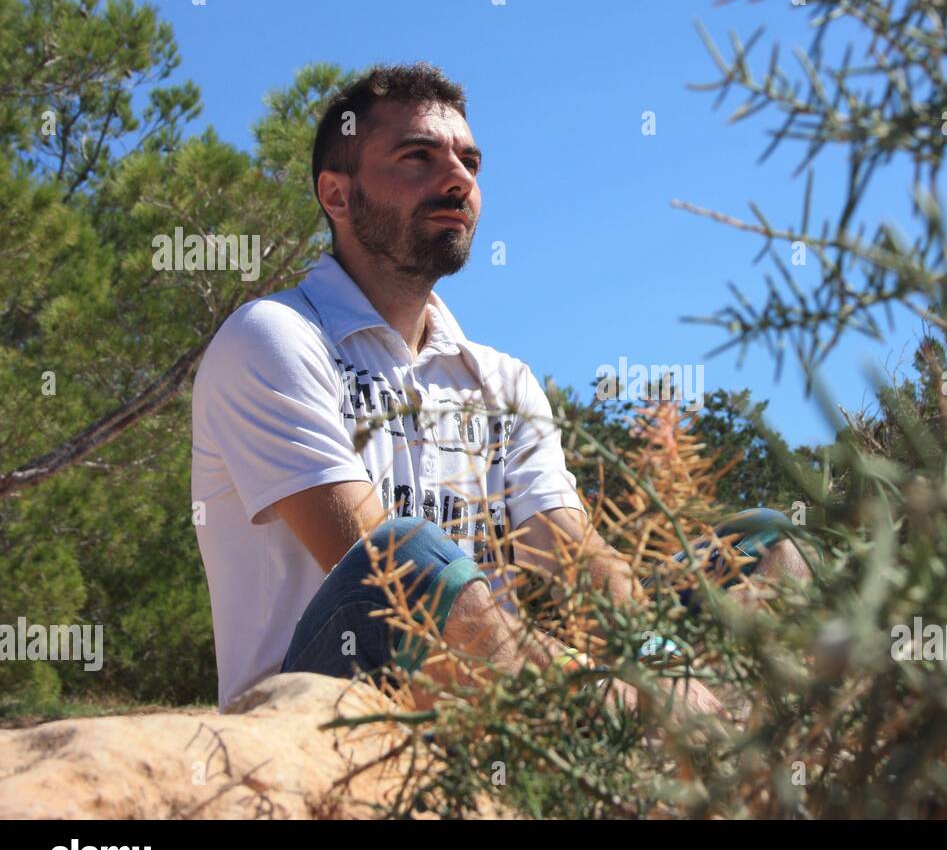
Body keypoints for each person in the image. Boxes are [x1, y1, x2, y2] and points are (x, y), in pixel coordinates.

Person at [190, 63, 811, 718]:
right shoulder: (274, 338)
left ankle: (769, 750)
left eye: (469, 161)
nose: (458, 178)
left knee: (761, 542)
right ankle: (637, 727)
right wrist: (619, 691)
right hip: (328, 694)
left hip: (500, 684)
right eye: (418, 157)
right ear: (337, 196)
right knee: (409, 555)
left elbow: (570, 555)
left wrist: (653, 652)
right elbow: (382, 580)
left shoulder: (501, 380)